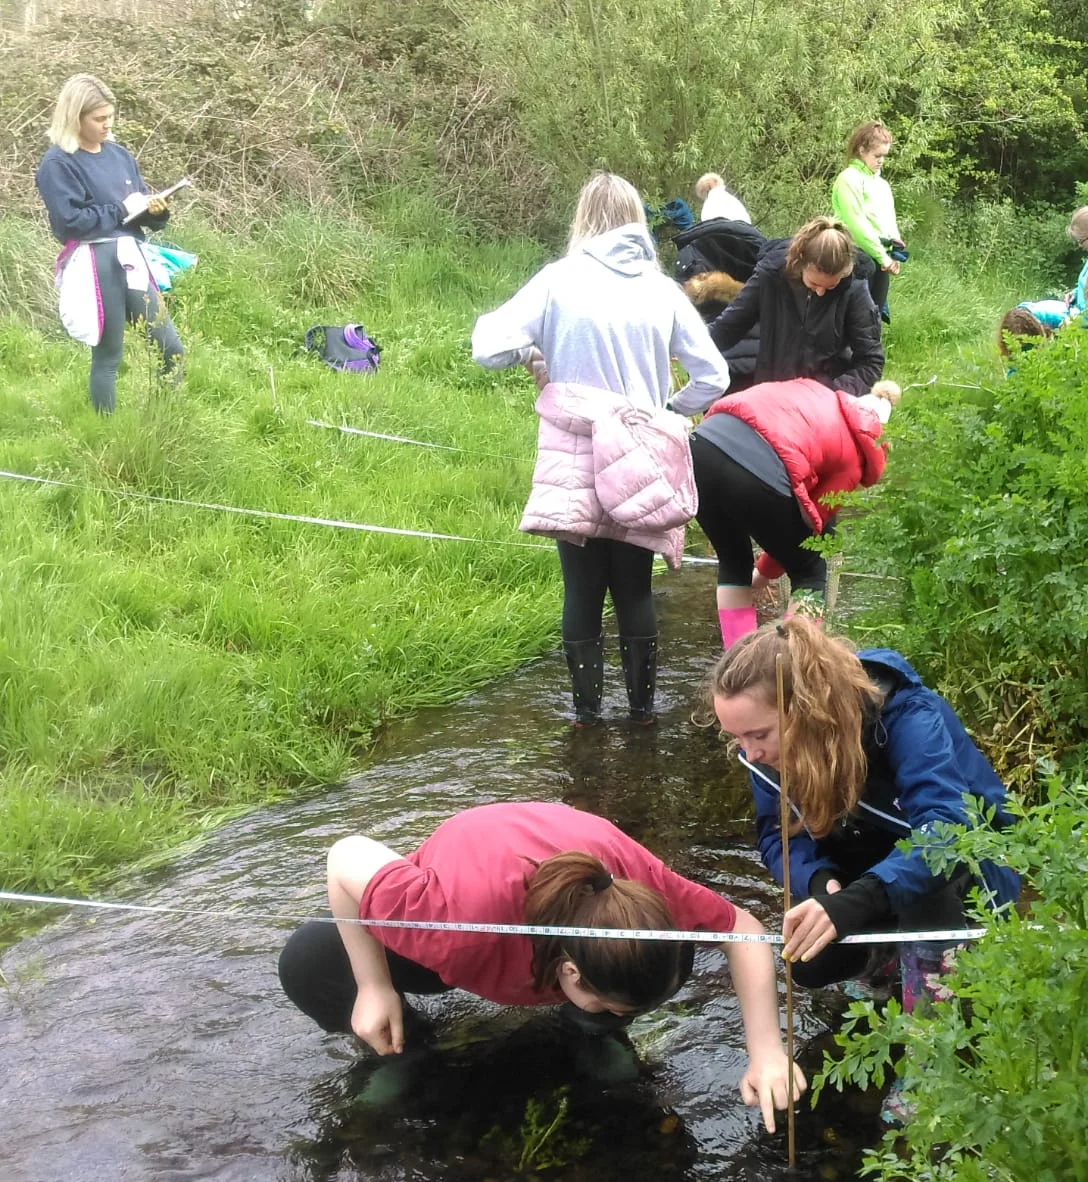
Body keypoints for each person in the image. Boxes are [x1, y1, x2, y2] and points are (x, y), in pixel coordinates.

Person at [277, 801, 802, 1128]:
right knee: (308, 959)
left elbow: (742, 930)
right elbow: (345, 855)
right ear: (569, 974)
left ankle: (592, 1033)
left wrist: (767, 1051)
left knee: (668, 951)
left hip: (560, 915)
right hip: (470, 922)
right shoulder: (449, 925)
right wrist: (373, 985)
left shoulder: (639, 888)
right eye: (609, 1004)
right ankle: (403, 1051)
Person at [706, 617, 1019, 1120]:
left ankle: (930, 1054)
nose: (750, 752)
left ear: (807, 710)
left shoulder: (907, 716)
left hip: (969, 868)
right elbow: (776, 836)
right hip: (870, 854)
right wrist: (820, 884)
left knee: (928, 887)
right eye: (737, 737)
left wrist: (859, 901)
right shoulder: (763, 755)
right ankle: (888, 960)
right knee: (809, 962)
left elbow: (947, 831)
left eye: (759, 734)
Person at [472, 173, 728, 727]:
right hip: (643, 450)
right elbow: (714, 375)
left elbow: (488, 347)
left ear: (584, 219)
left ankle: (586, 719)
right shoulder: (662, 290)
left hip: (577, 446)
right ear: (636, 220)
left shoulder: (558, 280)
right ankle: (642, 716)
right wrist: (670, 410)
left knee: (582, 588)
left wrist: (532, 354)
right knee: (635, 587)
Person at [692, 378, 899, 647]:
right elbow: (812, 529)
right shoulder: (856, 455)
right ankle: (793, 664)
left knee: (734, 562)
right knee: (810, 570)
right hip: (757, 463)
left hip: (700, 446)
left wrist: (760, 575)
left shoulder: (818, 393)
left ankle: (737, 664)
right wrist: (765, 573)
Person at [35, 73, 184, 415]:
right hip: (96, 261)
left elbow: (135, 211)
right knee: (108, 356)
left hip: (130, 255)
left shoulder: (119, 156)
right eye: (99, 119)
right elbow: (69, 223)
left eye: (110, 117)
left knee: (171, 349)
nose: (107, 125)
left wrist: (155, 212)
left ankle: (166, 425)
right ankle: (106, 434)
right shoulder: (58, 164)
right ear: (75, 118)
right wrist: (121, 208)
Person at [708, 217, 884, 396]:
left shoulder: (855, 289)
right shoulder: (770, 275)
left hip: (824, 400)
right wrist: (693, 348)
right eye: (814, 284)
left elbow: (871, 361)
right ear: (800, 262)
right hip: (770, 392)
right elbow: (727, 328)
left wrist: (831, 394)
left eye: (831, 286)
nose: (820, 292)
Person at [831, 120, 904, 322]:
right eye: (877, 156)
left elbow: (888, 218)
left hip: (880, 258)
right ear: (862, 150)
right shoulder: (848, 179)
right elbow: (855, 223)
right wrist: (882, 257)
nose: (881, 161)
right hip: (855, 257)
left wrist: (894, 248)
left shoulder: (882, 184)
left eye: (884, 156)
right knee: (853, 318)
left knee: (874, 317)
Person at [996, 300, 1075, 357]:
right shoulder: (1013, 321)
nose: (1019, 344)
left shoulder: (1054, 316)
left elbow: (1074, 320)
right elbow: (1014, 362)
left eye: (1021, 341)